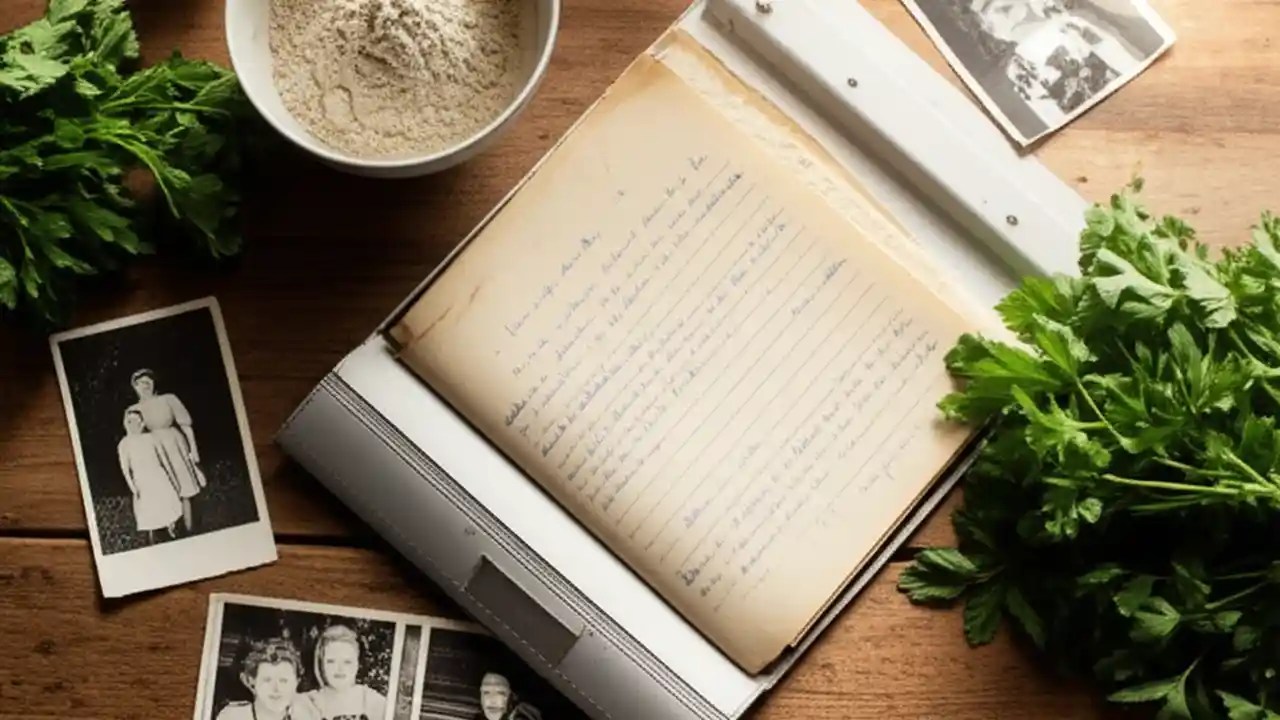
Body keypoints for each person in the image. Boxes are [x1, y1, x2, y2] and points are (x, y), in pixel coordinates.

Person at [127, 368, 205, 534]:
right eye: (140, 383)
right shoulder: (133, 410)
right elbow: (132, 439)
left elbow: (186, 425)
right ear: (134, 387)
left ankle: (190, 530)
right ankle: (165, 531)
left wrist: (193, 450)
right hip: (152, 453)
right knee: (162, 491)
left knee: (185, 488)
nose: (145, 386)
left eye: (148, 382)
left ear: (154, 383)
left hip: (175, 446)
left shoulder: (169, 399)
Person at [116, 408, 182, 544]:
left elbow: (164, 460)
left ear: (142, 424)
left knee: (167, 507)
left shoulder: (151, 438)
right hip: (142, 482)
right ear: (125, 423)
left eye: (137, 421)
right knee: (149, 514)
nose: (134, 425)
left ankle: (172, 531)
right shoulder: (124, 444)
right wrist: (133, 488)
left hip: (159, 478)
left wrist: (174, 481)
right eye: (130, 421)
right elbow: (125, 469)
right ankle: (152, 540)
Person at [215, 638, 319, 720]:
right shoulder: (233, 717)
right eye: (267, 680)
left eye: (284, 681)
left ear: (297, 682)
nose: (276, 689)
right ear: (251, 681)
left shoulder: (306, 716)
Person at [298, 625, 387, 720]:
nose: (340, 669)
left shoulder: (375, 703)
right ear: (321, 663)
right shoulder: (307, 704)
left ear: (357, 664)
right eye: (331, 661)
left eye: (347, 662)